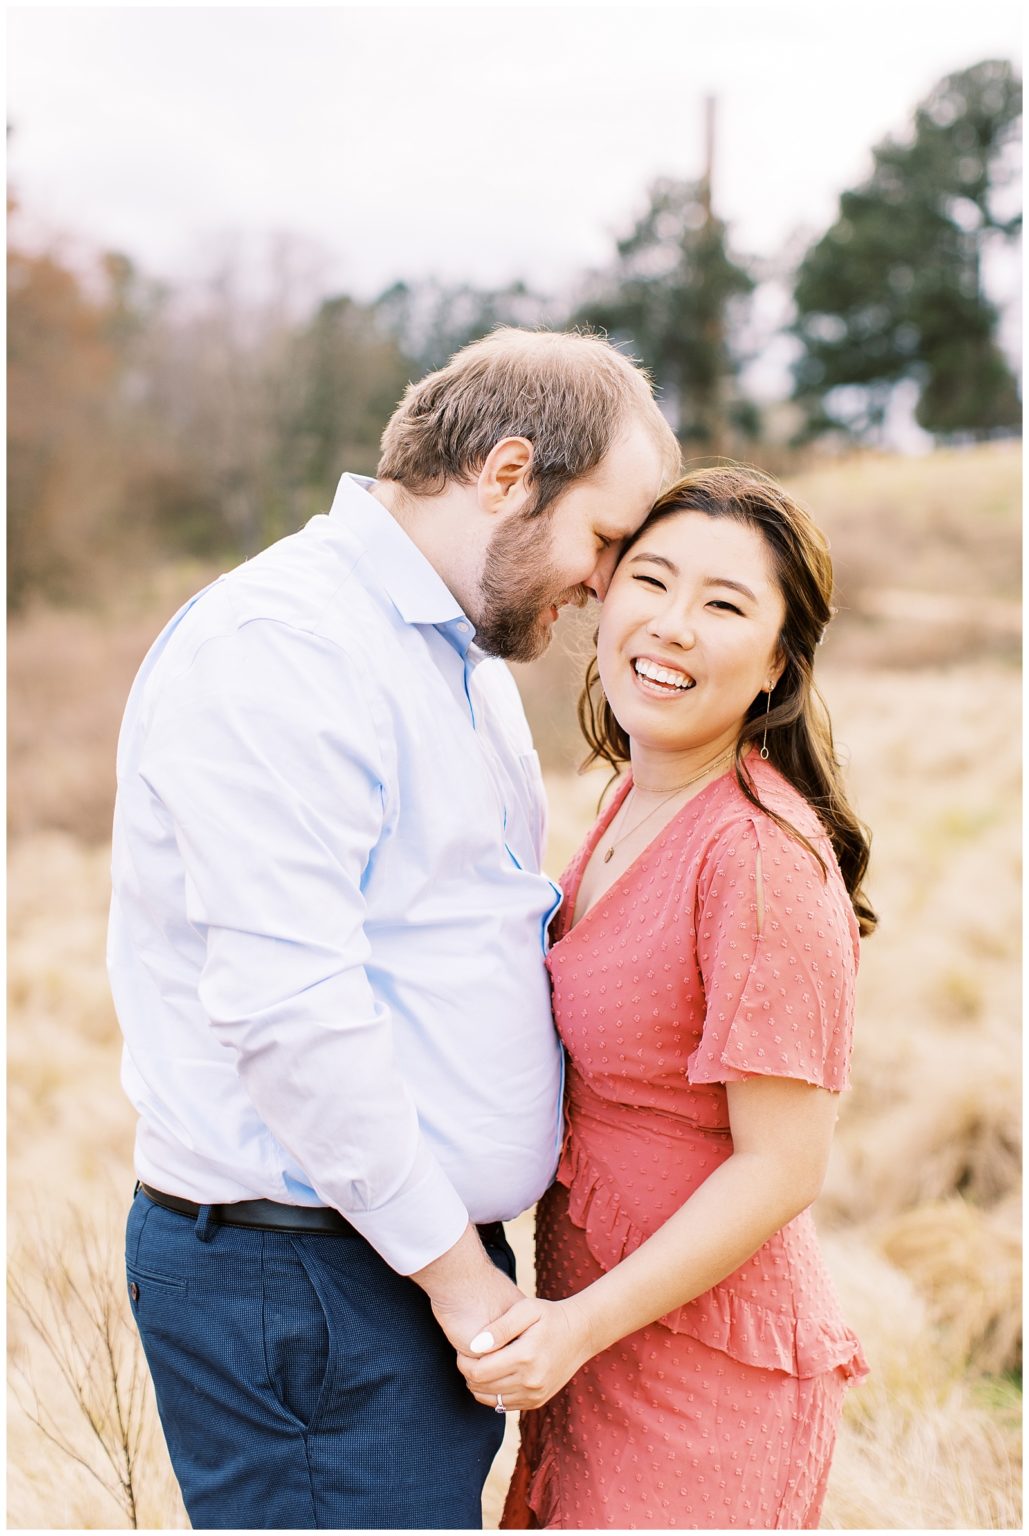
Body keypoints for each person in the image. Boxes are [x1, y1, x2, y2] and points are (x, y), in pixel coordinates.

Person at [108, 327, 680, 1531]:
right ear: (509, 472)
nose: (607, 583)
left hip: (388, 1265)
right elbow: (292, 1015)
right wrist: (465, 1290)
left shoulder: (453, 656)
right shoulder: (286, 648)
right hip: (311, 1278)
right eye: (608, 539)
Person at [457, 465, 877, 1531]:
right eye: (652, 580)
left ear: (779, 660)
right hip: (598, 1344)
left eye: (726, 604)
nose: (674, 626)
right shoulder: (630, 797)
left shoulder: (758, 854)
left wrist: (575, 1328)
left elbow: (782, 1165)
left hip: (703, 1373)